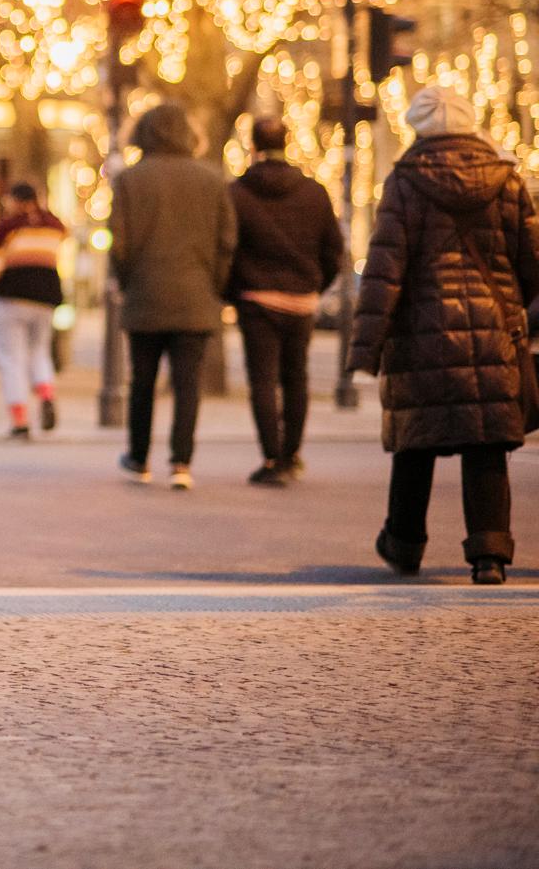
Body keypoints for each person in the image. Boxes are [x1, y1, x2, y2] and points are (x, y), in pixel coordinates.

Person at [349, 86, 533, 585]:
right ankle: (489, 554)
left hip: (420, 331)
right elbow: (530, 264)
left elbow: (387, 269)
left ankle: (404, 543)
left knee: (416, 443)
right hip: (493, 331)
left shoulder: (405, 181)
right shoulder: (507, 180)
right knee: (487, 444)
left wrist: (365, 348)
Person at [109, 101, 236, 490]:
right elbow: (227, 241)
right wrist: (213, 284)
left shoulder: (130, 180)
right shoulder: (212, 179)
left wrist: (130, 282)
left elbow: (120, 245)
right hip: (196, 295)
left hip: (145, 295)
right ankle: (181, 462)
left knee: (142, 382)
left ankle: (139, 457)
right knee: (188, 385)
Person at [226, 116, 344, 485]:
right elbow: (333, 251)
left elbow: (226, 250)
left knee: (262, 380)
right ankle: (292, 454)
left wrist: (234, 292)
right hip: (301, 301)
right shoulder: (314, 192)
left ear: (253, 146)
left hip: (257, 299)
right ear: (288, 143)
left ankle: (271, 458)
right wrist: (314, 286)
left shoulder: (237, 193)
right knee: (296, 378)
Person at [0, 182, 66, 440]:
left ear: (16, 201)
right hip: (45, 300)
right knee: (40, 351)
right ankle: (47, 393)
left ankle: (20, 421)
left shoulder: (8, 228)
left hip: (9, 300)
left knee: (11, 359)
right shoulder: (55, 226)